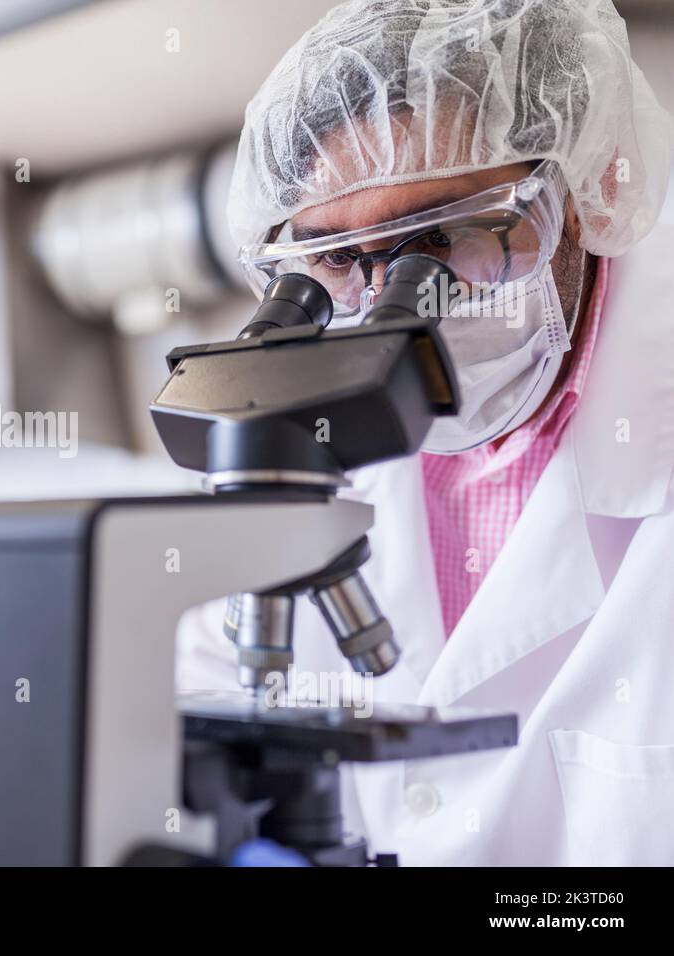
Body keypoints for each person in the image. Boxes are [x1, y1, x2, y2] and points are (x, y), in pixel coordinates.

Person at [177, 0, 674, 865]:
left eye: (444, 237)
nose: (386, 309)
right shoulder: (297, 446)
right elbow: (196, 705)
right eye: (335, 261)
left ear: (593, 186)